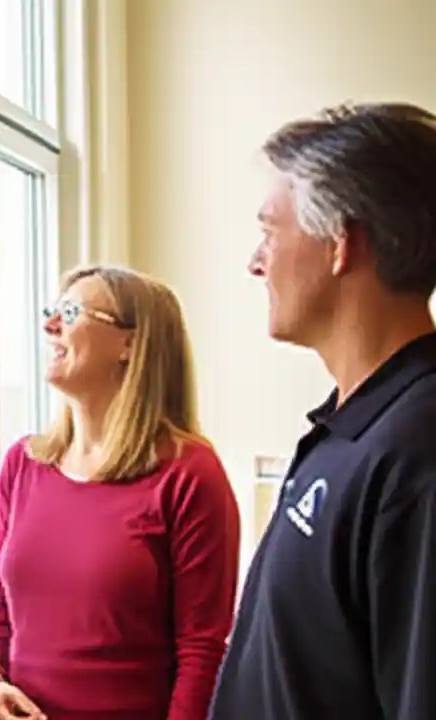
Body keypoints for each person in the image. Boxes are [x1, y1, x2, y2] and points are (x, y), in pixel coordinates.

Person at [210, 102, 436, 719]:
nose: (255, 262)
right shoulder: (348, 431)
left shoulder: (418, 453)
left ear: (340, 243)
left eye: (269, 232)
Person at [0, 266, 241, 720]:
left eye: (72, 311)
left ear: (129, 344)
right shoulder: (22, 464)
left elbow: (202, 651)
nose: (49, 325)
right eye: (52, 310)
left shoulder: (189, 474)